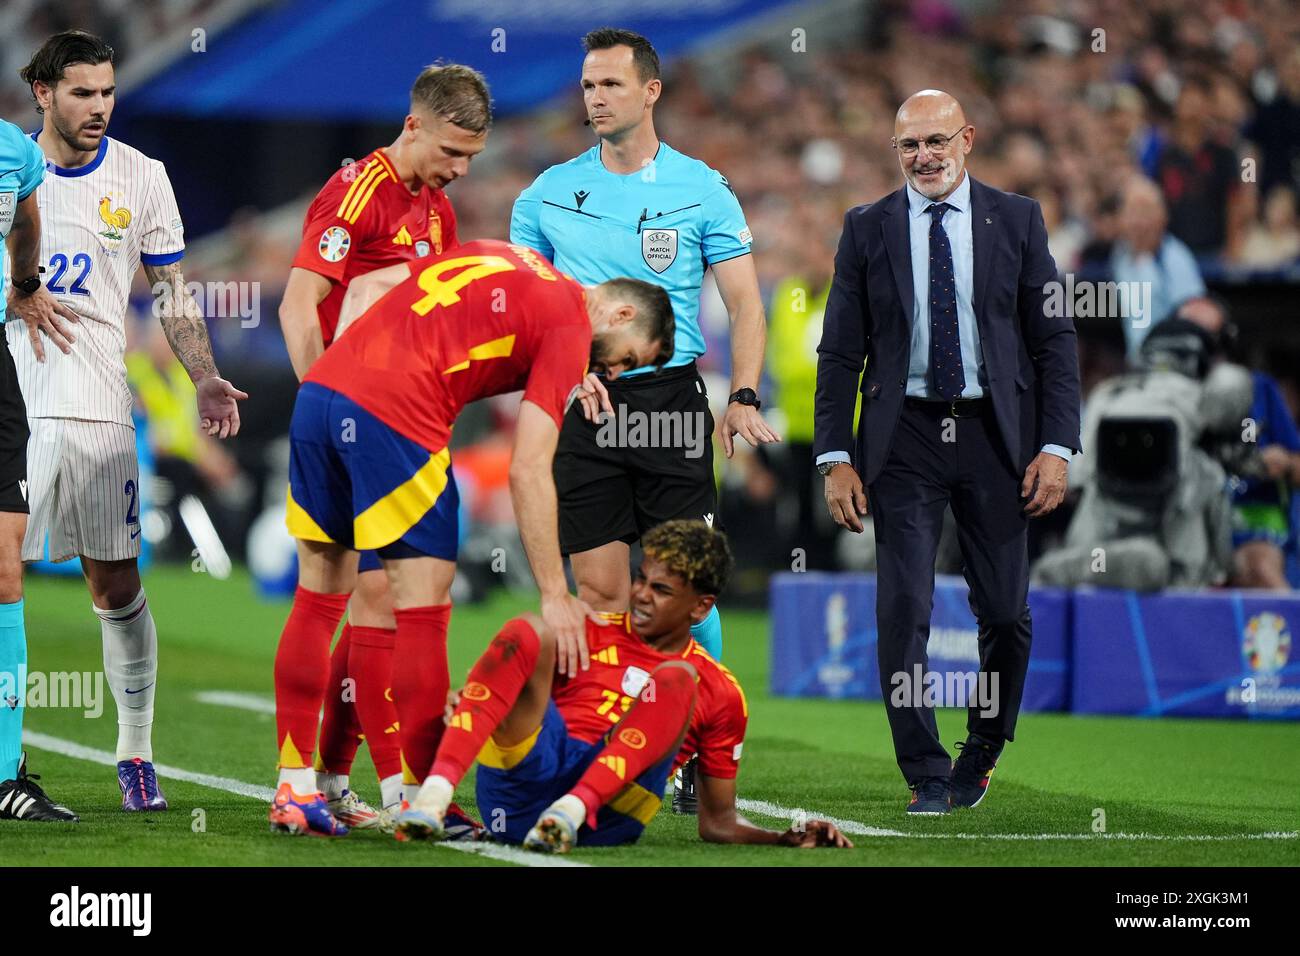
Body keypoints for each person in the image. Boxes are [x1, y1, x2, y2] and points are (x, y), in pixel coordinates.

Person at [269, 238, 674, 836]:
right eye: (629, 359)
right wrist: (554, 594)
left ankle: (294, 788)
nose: (615, 373)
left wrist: (357, 378)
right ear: (618, 313)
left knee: (319, 594)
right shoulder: (569, 321)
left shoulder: (502, 254)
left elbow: (367, 289)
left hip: (324, 391)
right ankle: (419, 795)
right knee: (425, 608)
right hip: (398, 413)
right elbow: (529, 468)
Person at [509, 27, 778, 813]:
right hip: (581, 404)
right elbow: (526, 311)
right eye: (589, 86)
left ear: (651, 91)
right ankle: (601, 735)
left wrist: (744, 395)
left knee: (683, 582)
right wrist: (558, 379)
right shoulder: (545, 194)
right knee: (599, 591)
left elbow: (746, 303)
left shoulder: (702, 189)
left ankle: (699, 752)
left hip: (669, 404)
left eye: (612, 86)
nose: (595, 98)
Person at [814, 90, 1081, 815]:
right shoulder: (866, 227)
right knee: (903, 602)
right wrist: (834, 455)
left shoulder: (1018, 218)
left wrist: (1056, 446)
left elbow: (1054, 341)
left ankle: (985, 747)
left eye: (936, 141)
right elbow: (839, 353)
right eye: (909, 147)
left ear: (967, 139)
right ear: (895, 151)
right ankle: (926, 772)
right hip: (905, 437)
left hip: (997, 433)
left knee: (1003, 608)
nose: (924, 157)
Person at [8, 31, 246, 812]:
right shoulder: (12, 169)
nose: (99, 108)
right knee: (2, 576)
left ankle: (135, 751)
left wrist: (206, 376)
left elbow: (173, 292)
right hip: (18, 406)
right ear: (44, 94)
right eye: (82, 93)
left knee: (115, 584)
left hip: (104, 416)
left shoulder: (144, 177)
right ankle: (9, 768)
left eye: (108, 92)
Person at [278, 63, 488, 832]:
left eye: (471, 159)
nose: (460, 171)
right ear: (414, 125)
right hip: (347, 420)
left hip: (398, 425)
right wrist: (322, 402)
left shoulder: (437, 212)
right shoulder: (354, 192)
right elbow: (300, 306)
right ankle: (312, 782)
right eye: (452, 152)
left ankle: (342, 784)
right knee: (337, 591)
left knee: (372, 601)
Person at [397, 519, 851, 853]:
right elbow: (521, 699)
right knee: (528, 630)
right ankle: (432, 799)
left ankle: (570, 813)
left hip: (605, 818)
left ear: (700, 607)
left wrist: (783, 837)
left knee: (677, 677)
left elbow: (718, 822)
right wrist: (479, 702)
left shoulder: (720, 690)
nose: (641, 595)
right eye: (640, 580)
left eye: (662, 589)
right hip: (519, 794)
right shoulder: (588, 629)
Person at [0, 116, 79, 823]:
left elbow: (26, 223)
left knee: (4, 567)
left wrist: (23, 282)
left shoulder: (13, 149)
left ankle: (4, 773)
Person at [1178, 296, 1300, 589]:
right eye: (1190, 336)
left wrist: (1282, 461)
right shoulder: (1164, 396)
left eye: (1210, 338)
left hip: (1250, 530)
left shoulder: (1258, 388)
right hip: (1182, 527)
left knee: (1258, 565)